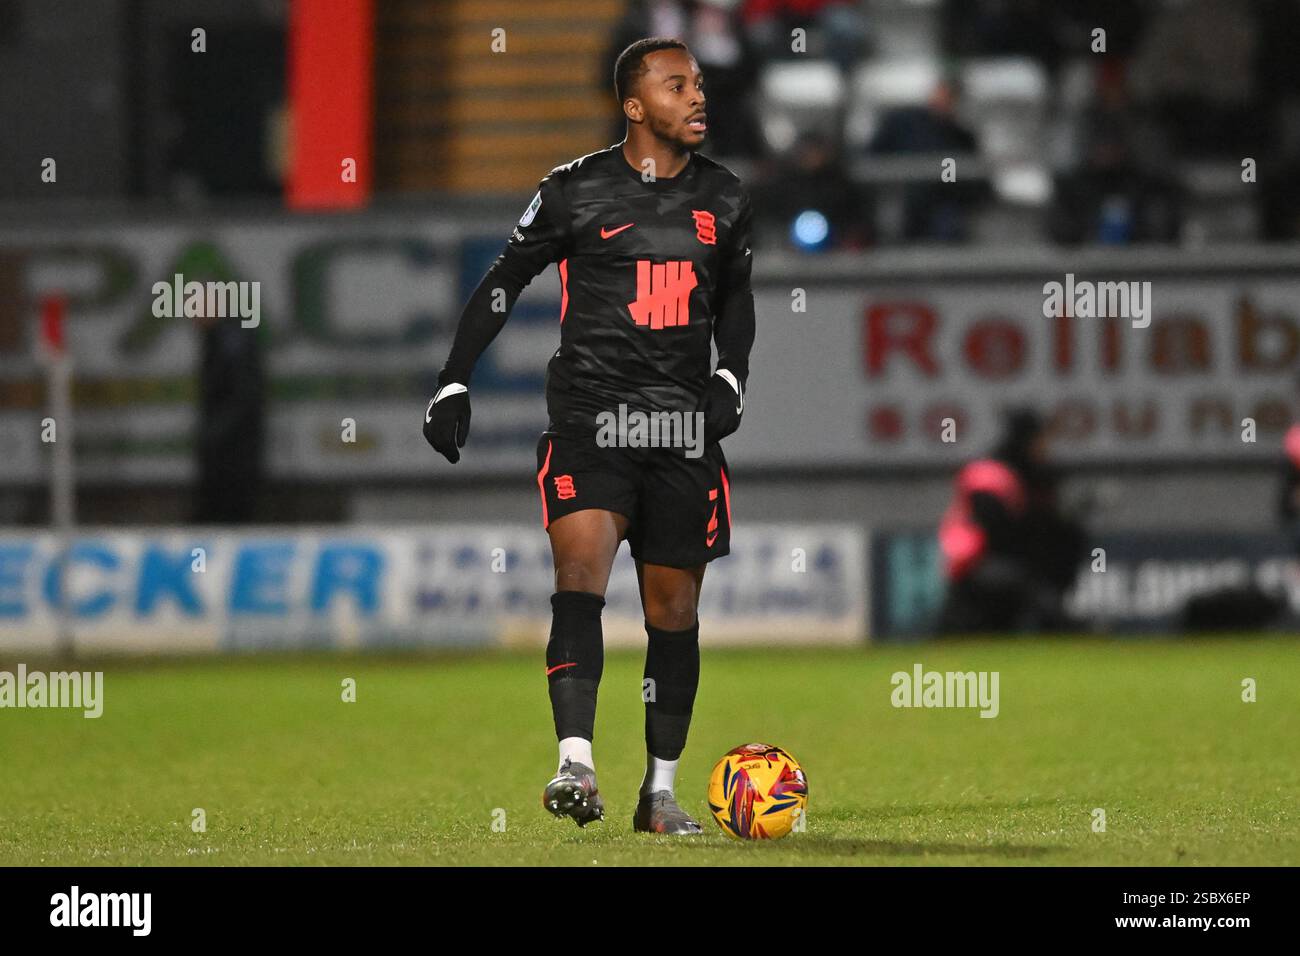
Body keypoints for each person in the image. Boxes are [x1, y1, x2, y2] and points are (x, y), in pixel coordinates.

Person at [422, 38, 755, 835]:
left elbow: (737, 299)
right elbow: (504, 280)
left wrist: (731, 375)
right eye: (676, 85)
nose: (697, 96)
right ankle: (575, 763)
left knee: (673, 609)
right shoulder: (574, 190)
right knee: (579, 573)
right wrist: (455, 377)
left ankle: (659, 794)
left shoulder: (727, 196)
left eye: (698, 83)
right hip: (591, 420)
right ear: (635, 106)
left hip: (680, 429)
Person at [937, 409, 1084, 634]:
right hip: (977, 565)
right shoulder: (989, 473)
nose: (1044, 447)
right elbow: (996, 532)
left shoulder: (1033, 474)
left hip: (1012, 564)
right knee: (1024, 583)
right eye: (1040, 440)